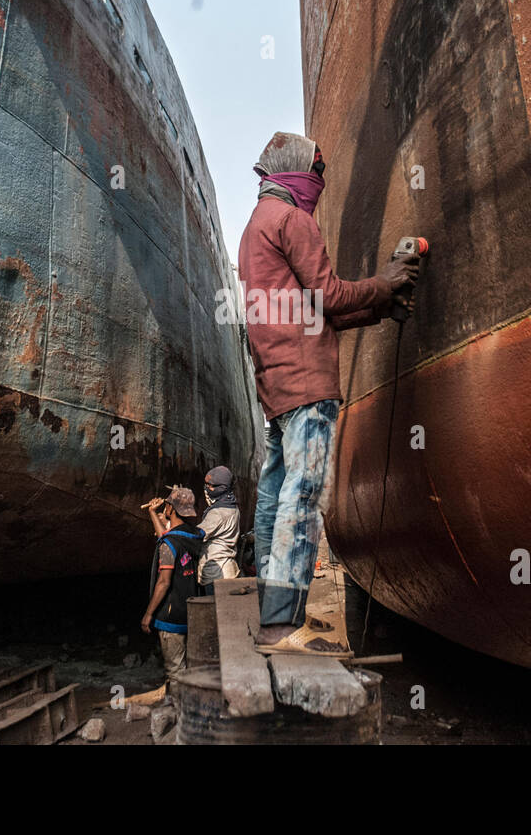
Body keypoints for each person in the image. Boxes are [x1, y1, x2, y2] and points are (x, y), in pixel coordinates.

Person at [237, 132, 418, 655]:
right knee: (303, 494)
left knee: (273, 494)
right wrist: (384, 284)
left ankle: (268, 614)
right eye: (317, 174)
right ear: (301, 173)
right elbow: (330, 294)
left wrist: (380, 307)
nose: (318, 184)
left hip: (276, 383)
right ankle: (280, 624)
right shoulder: (294, 220)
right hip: (309, 384)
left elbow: (315, 309)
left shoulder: (256, 227)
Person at [140, 486, 204, 683]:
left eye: (167, 505)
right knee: (192, 666)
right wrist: (152, 514)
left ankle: (180, 709)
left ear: (170, 509)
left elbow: (163, 582)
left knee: (175, 672)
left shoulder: (170, 544)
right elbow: (167, 539)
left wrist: (149, 614)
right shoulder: (195, 536)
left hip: (171, 614)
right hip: (191, 611)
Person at [195, 466, 241, 595]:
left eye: (210, 485)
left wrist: (172, 526)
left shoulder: (218, 513)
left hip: (217, 573)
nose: (206, 488)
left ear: (221, 488)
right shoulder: (232, 507)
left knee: (217, 611)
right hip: (229, 568)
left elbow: (197, 535)